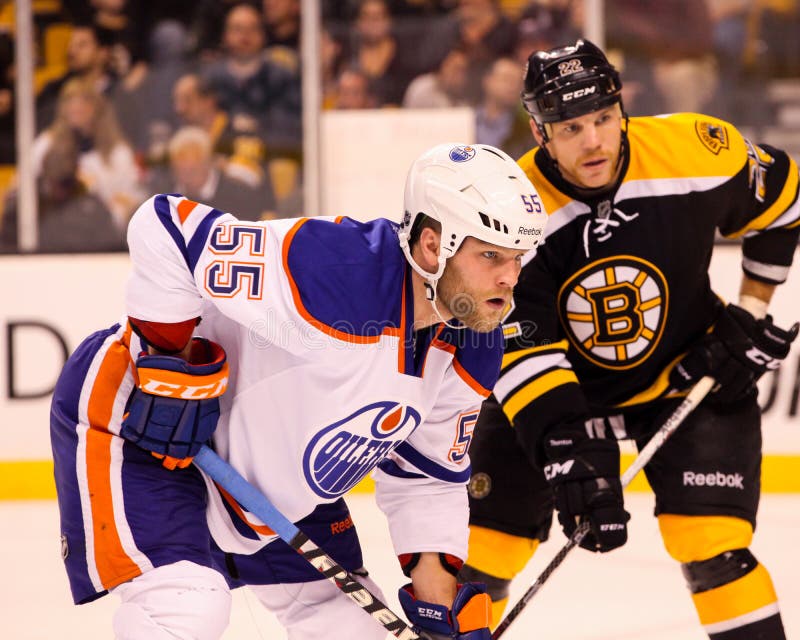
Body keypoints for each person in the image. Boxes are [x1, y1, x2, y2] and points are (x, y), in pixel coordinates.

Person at [50, 142, 548, 639]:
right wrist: (172, 362)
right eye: (491, 255)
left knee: (358, 631)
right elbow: (165, 227)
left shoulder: (473, 341)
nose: (510, 278)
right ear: (432, 245)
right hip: (138, 423)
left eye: (518, 258)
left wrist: (441, 605)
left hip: (264, 485)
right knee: (185, 610)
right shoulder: (333, 269)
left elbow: (428, 477)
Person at [458, 39, 800, 640]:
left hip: (685, 373)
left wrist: (751, 309)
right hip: (558, 387)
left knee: (713, 546)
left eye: (602, 119)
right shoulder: (511, 208)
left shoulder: (696, 149)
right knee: (484, 552)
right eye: (569, 127)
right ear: (539, 132)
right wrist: (565, 449)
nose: (592, 141)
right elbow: (519, 344)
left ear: (622, 110)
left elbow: (785, 201)